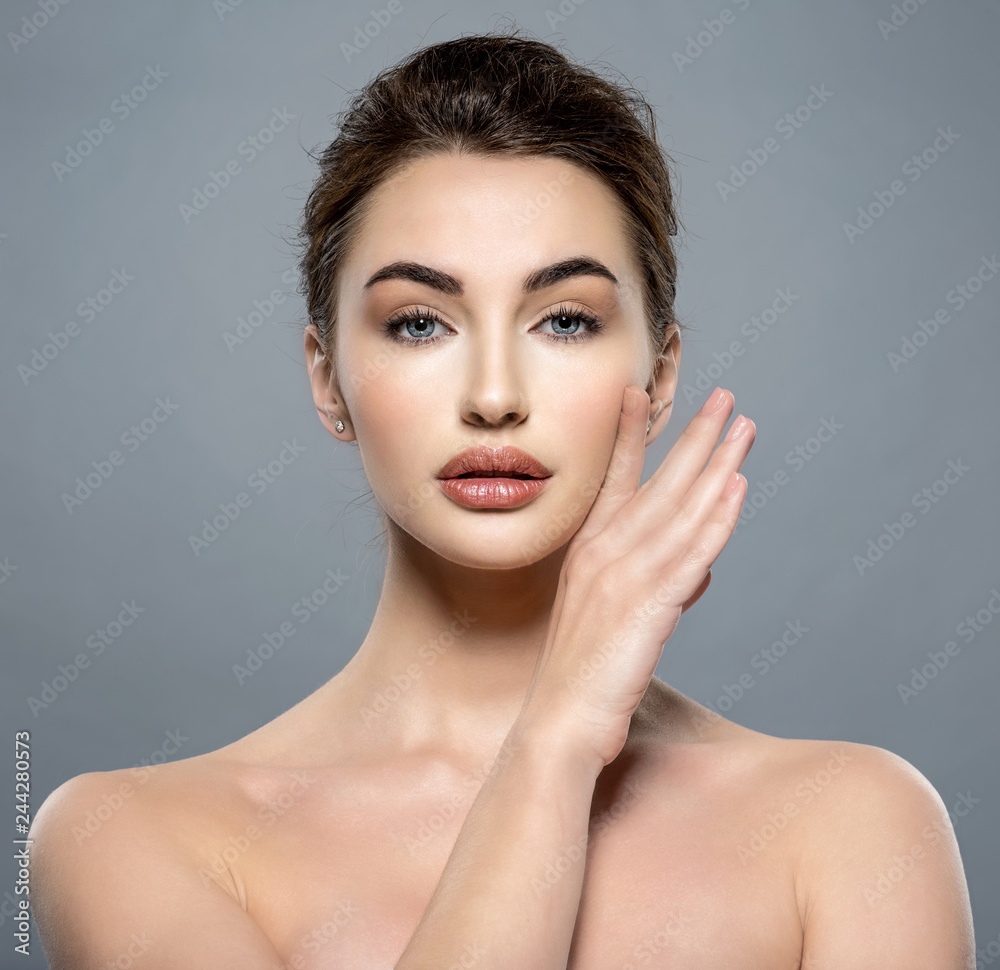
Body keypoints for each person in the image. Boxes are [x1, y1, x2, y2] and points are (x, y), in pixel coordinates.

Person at [28, 28, 974, 969]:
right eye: (418, 323)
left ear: (660, 373)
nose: (493, 395)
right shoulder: (130, 838)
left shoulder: (853, 831)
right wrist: (556, 739)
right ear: (327, 379)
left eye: (564, 320)